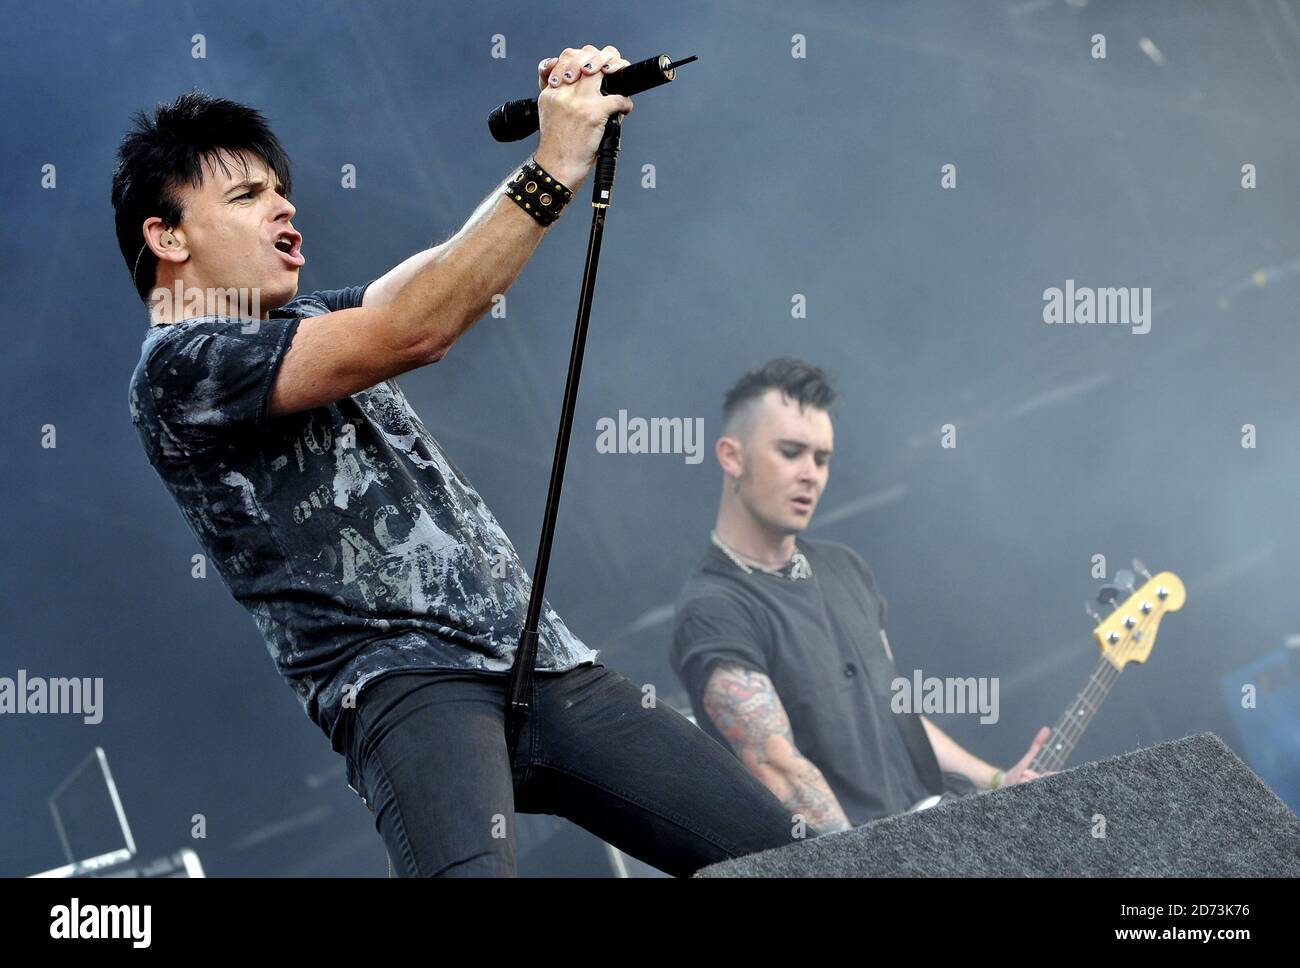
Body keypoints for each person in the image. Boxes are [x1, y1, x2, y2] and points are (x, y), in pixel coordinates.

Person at [115, 45, 798, 877]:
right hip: (406, 686)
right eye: (249, 195)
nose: (286, 210)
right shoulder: (177, 369)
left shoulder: (316, 319)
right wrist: (552, 163)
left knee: (792, 861)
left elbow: (443, 272)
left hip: (544, 665)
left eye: (283, 190)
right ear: (166, 234)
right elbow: (418, 329)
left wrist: (562, 137)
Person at [670, 358, 1053, 831]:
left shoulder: (843, 567)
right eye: (791, 452)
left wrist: (995, 780)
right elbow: (783, 775)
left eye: (822, 458)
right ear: (732, 457)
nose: (811, 473)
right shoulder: (713, 610)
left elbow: (896, 711)